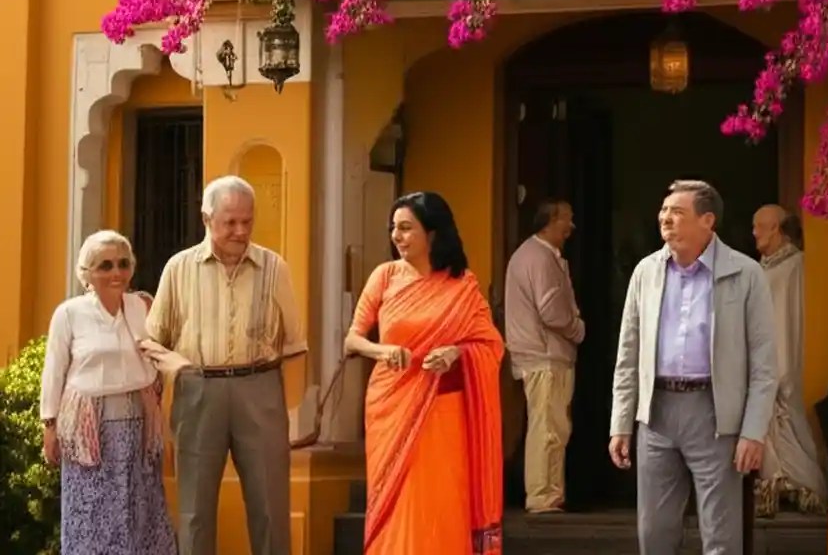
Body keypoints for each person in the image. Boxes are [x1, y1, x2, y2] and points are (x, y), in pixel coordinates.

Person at [609, 179, 778, 555]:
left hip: (715, 413)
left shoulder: (745, 274)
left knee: (721, 534)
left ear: (707, 221)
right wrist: (621, 422)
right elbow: (628, 354)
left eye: (677, 212)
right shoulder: (646, 272)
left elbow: (765, 364)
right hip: (657, 413)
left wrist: (754, 431)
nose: (665, 218)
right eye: (664, 211)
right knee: (654, 533)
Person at [141, 175, 306, 555]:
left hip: (260, 388)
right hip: (198, 390)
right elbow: (151, 339)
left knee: (270, 507)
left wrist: (293, 411)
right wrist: (179, 367)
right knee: (195, 510)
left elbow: (295, 344)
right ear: (206, 218)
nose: (240, 230)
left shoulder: (274, 267)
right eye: (230, 222)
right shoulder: (178, 268)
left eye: (247, 221)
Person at [344, 191, 505, 555]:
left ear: (432, 233)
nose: (396, 237)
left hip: (442, 412)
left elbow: (490, 345)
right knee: (396, 498)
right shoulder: (384, 277)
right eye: (393, 229)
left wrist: (456, 352)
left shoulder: (462, 285)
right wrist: (382, 350)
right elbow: (352, 340)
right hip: (390, 407)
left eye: (406, 228)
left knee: (440, 499)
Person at [40, 230, 176, 554]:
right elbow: (54, 369)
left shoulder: (142, 306)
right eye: (105, 266)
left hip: (138, 427)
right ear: (87, 274)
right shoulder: (69, 313)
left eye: (123, 264)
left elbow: (160, 354)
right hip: (89, 431)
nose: (116, 273)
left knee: (140, 506)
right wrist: (50, 425)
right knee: (91, 508)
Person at [504, 198, 586, 514]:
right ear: (551, 219)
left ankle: (548, 494)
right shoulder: (539, 257)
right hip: (545, 355)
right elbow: (553, 311)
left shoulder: (532, 255)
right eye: (567, 218)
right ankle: (543, 496)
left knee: (549, 425)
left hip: (538, 353)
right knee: (549, 428)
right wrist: (577, 328)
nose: (571, 226)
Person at [750, 205, 828, 516]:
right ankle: (774, 487)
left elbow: (787, 321)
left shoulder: (793, 265)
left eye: (760, 226)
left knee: (785, 425)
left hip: (780, 366)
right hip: (762, 362)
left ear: (777, 229)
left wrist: (779, 370)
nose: (754, 232)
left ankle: (806, 486)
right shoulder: (765, 267)